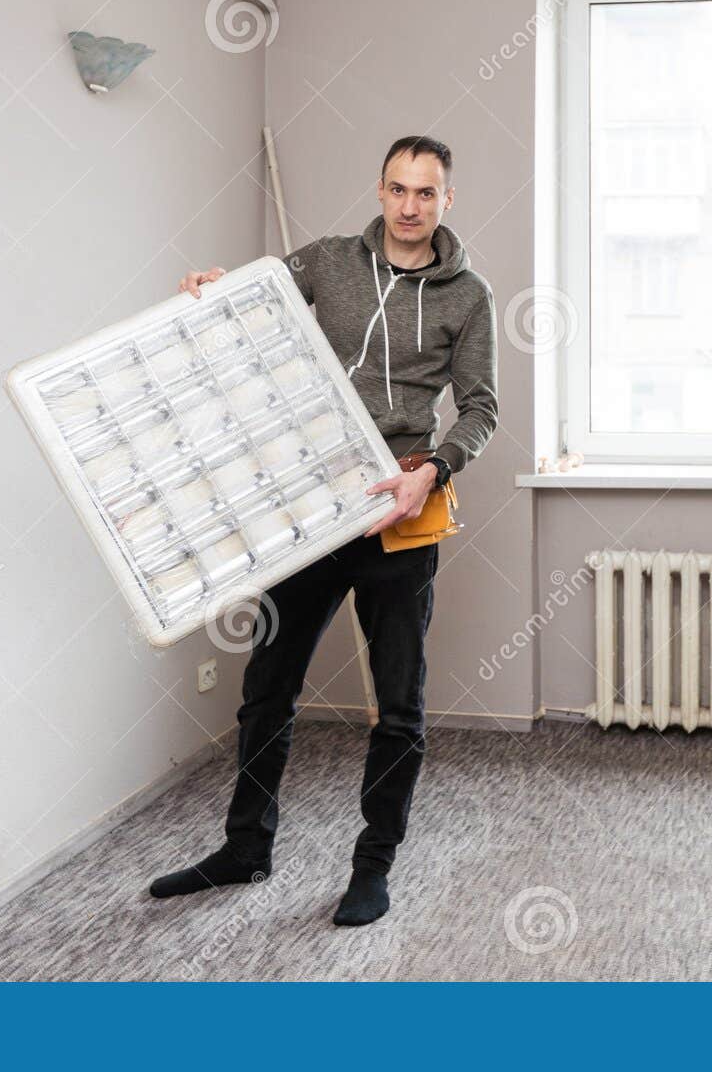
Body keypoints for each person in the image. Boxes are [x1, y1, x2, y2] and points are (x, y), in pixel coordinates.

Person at [149, 135, 499, 926]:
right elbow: (251, 297)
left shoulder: (467, 295)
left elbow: (480, 407)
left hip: (401, 506)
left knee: (400, 706)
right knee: (267, 688)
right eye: (398, 189)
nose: (411, 206)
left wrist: (432, 470)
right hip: (308, 505)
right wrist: (211, 286)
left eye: (427, 193)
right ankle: (246, 848)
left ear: (448, 201)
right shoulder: (329, 261)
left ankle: (372, 868)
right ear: (379, 191)